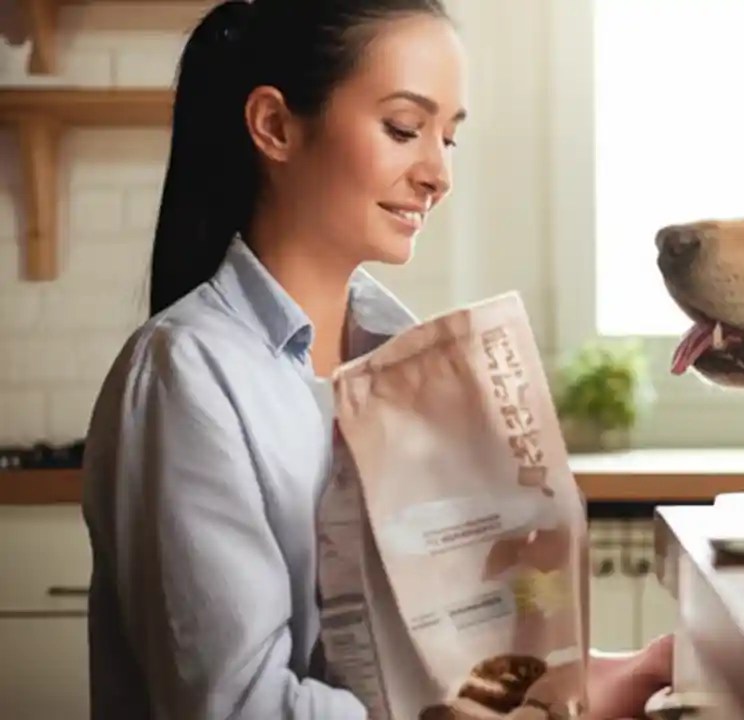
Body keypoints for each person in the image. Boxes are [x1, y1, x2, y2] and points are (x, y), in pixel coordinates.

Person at [79, 1, 673, 718]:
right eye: (403, 128)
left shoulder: (404, 359)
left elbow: (428, 655)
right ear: (275, 125)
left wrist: (600, 675)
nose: (437, 174)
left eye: (449, 138)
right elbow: (236, 708)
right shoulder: (189, 376)